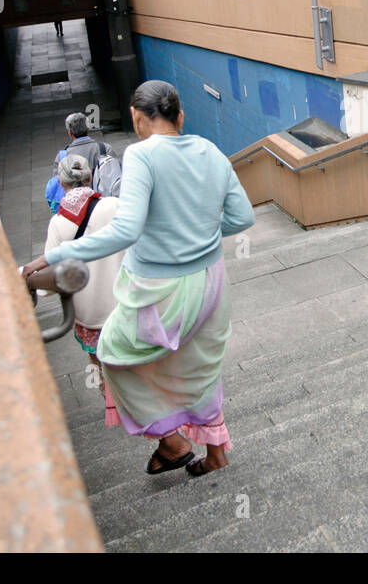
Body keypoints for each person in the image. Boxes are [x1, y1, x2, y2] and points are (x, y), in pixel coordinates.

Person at [23, 81, 255, 478]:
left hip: (159, 287)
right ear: (180, 116)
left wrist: (55, 254)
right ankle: (215, 454)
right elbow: (242, 218)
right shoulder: (211, 152)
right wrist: (198, 235)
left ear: (137, 118)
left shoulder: (141, 155)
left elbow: (126, 231)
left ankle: (171, 438)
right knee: (201, 367)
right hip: (211, 281)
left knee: (113, 354)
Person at [43, 154, 125, 426]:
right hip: (125, 304)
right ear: (90, 177)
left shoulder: (58, 223)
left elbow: (50, 280)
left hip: (88, 314)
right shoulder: (114, 205)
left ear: (61, 182)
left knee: (100, 361)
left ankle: (114, 403)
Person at [45, 112, 114, 213]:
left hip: (77, 212)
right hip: (105, 206)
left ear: (69, 132)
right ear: (88, 128)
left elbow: (58, 185)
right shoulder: (104, 149)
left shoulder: (62, 157)